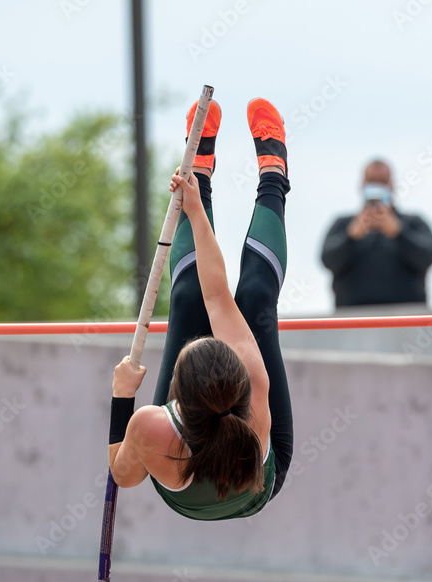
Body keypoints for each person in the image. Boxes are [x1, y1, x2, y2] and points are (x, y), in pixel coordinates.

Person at [107, 98, 293, 521]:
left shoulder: (152, 428)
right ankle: (274, 178)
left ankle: (201, 172)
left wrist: (123, 401)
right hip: (263, 479)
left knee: (187, 299)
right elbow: (220, 299)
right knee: (255, 300)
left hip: (186, 489)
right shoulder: (254, 381)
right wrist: (121, 394)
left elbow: (124, 475)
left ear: (179, 397)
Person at [321, 159, 432, 309]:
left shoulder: (414, 223)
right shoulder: (343, 224)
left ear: (392, 185)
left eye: (382, 181)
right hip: (352, 319)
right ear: (362, 185)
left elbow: (428, 258)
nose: (377, 187)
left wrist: (399, 234)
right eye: (371, 181)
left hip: (408, 317)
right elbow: (328, 261)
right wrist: (351, 237)